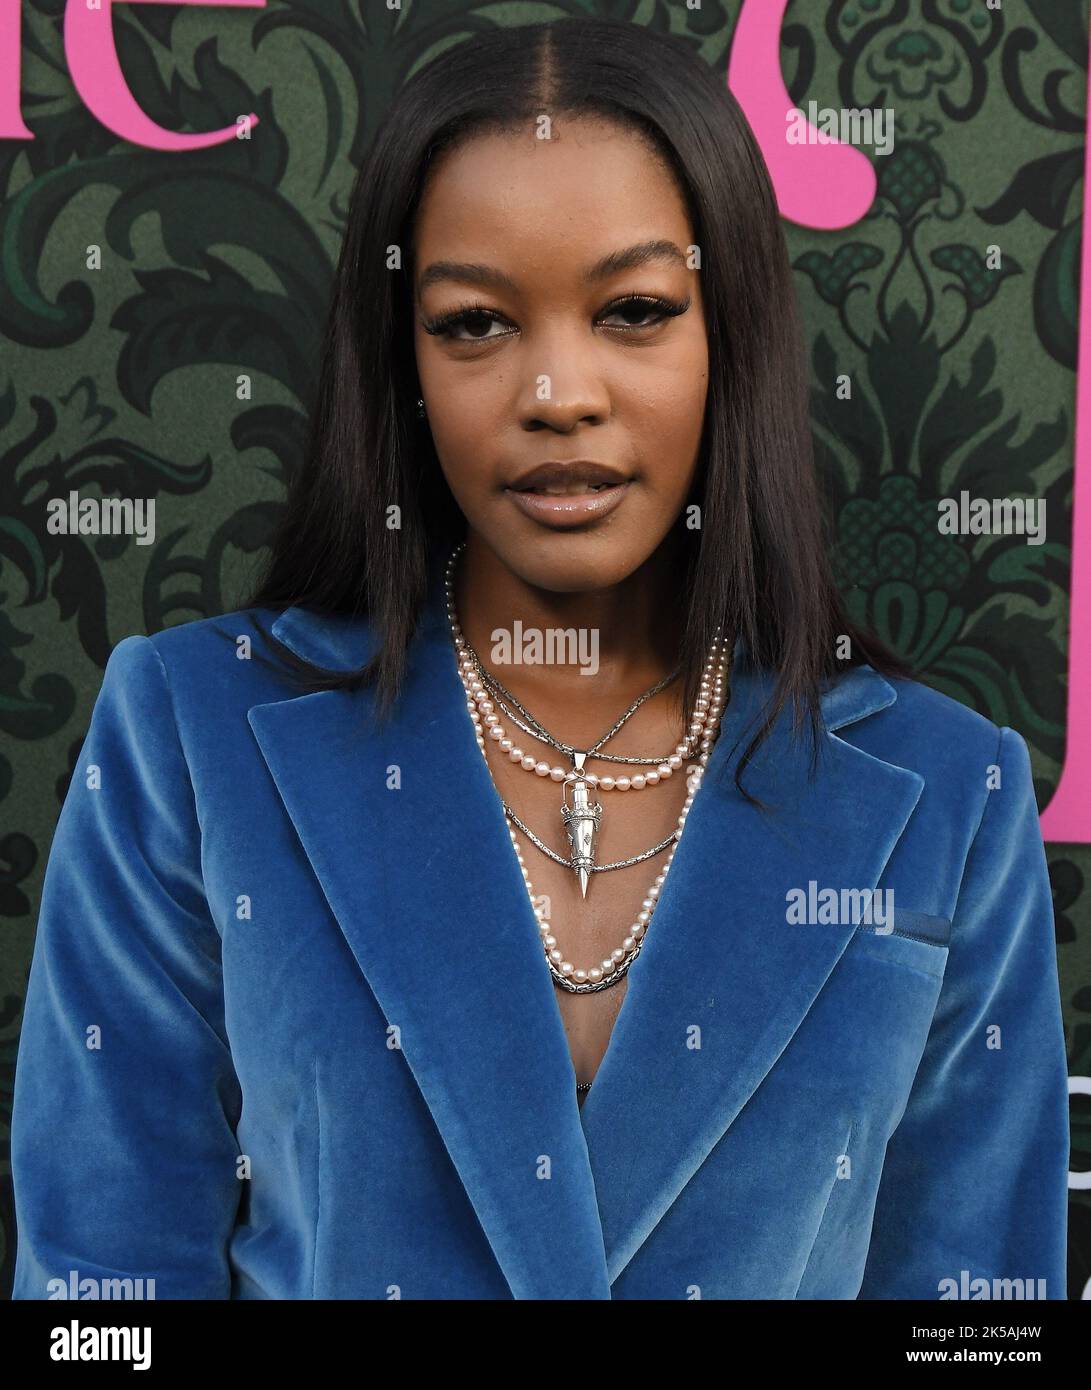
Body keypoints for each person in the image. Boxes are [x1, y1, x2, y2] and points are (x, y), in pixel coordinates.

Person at [10, 17, 1069, 1301]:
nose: (557, 389)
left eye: (632, 310)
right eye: (472, 324)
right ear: (398, 363)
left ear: (726, 338)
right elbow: (96, 1302)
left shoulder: (947, 793)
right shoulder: (191, 732)